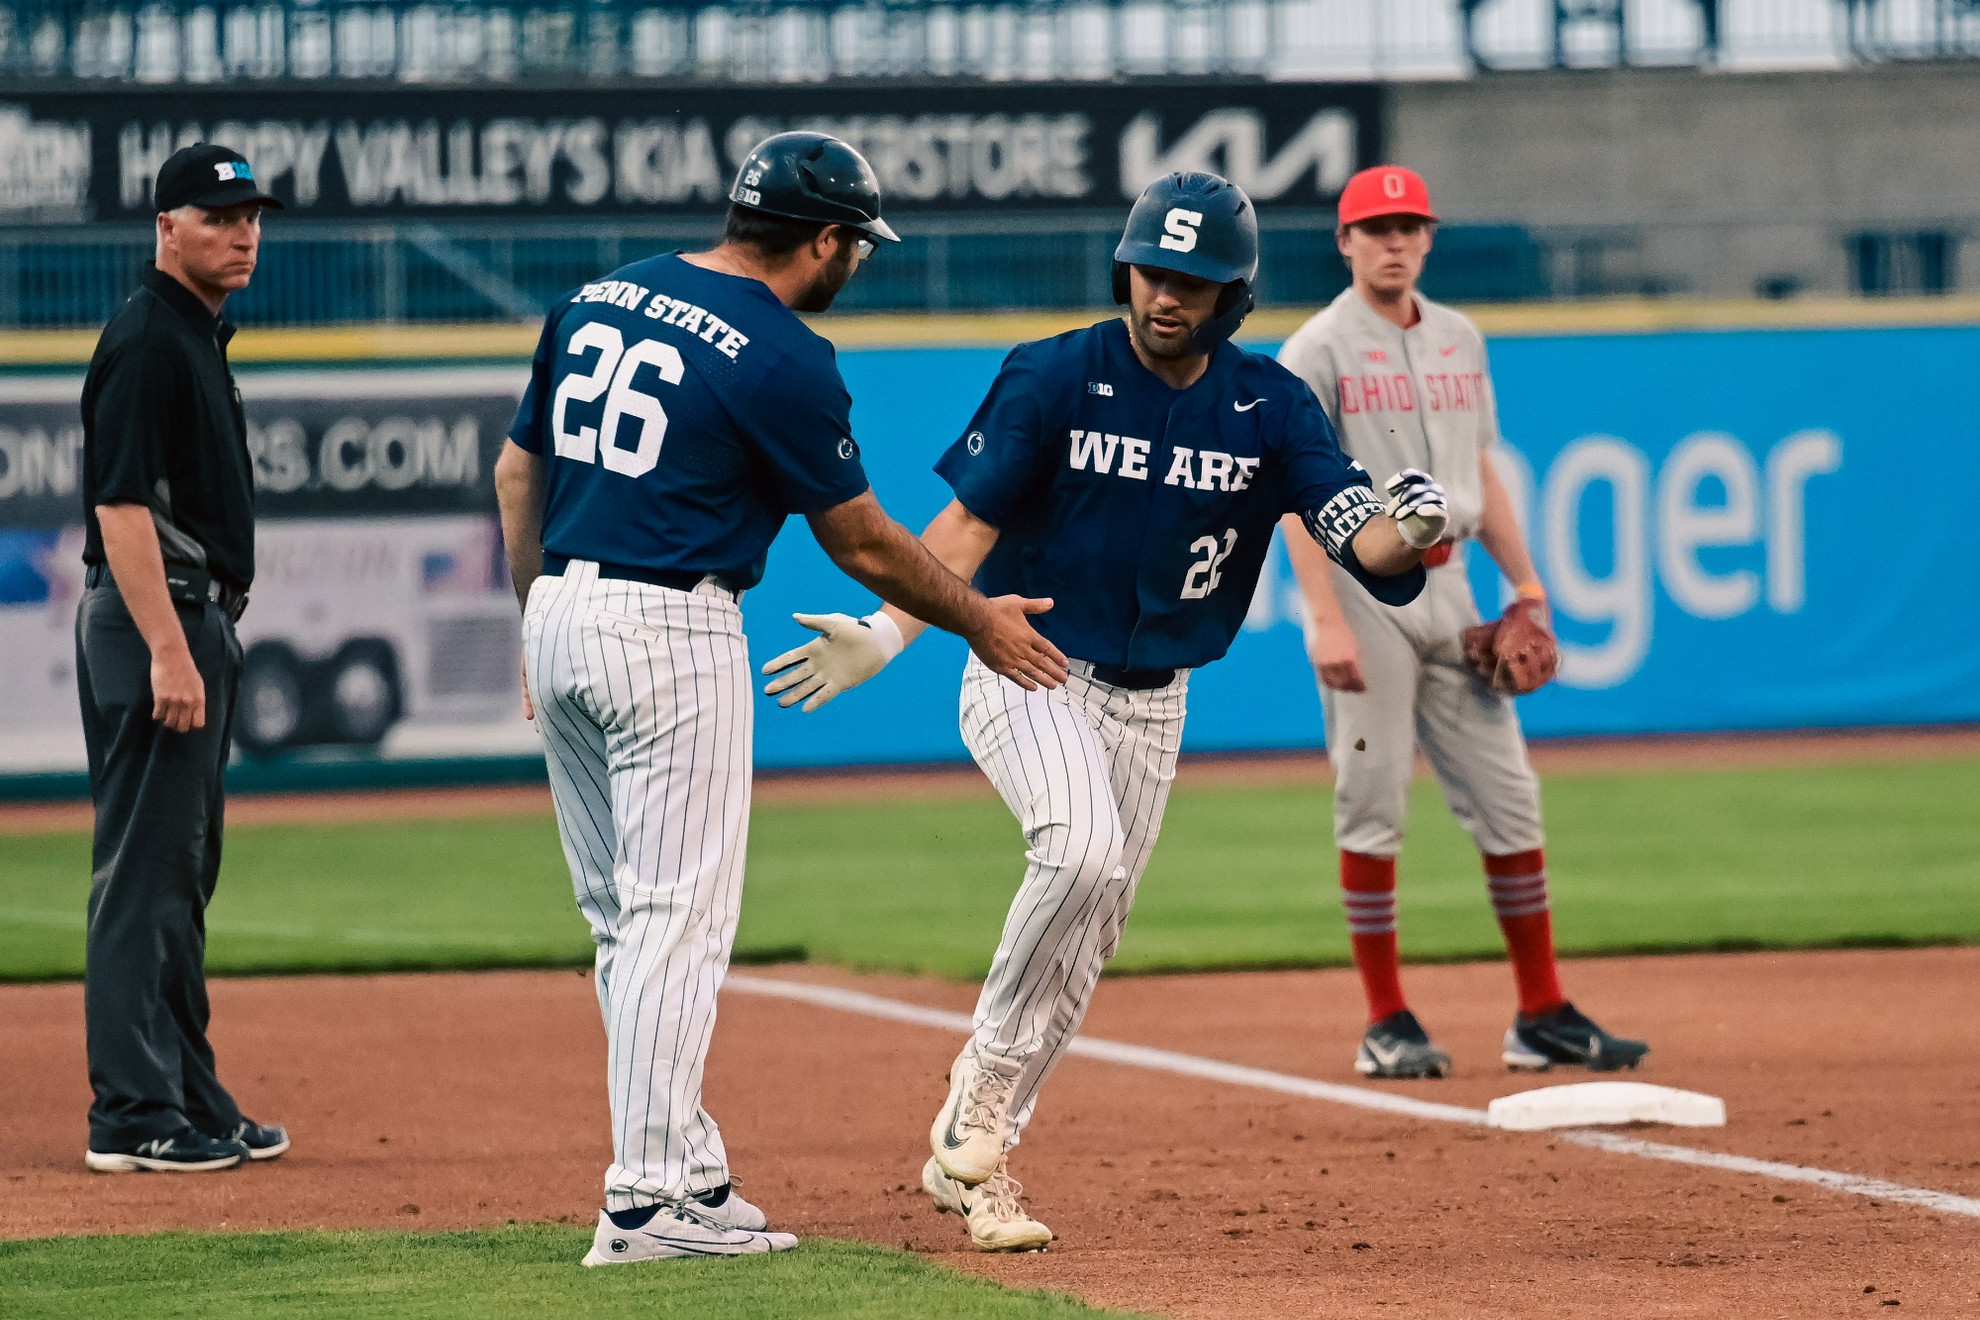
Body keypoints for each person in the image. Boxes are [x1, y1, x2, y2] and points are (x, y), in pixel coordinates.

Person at [760, 171, 1447, 1252]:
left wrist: (1415, 531)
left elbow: (1366, 544)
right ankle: (979, 1085)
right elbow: (968, 530)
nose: (1170, 295)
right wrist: (890, 636)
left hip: (1154, 702)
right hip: (1026, 658)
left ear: (1236, 295)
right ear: (1126, 268)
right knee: (1079, 856)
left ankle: (981, 1172)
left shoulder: (1270, 405)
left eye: (1198, 281)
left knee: (1087, 946)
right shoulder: (1054, 375)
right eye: (1155, 271)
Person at [493, 131, 1066, 1268]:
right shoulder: (782, 351)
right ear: (821, 238)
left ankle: (685, 1168)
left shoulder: (597, 297)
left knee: (621, 918)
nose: (857, 259)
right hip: (668, 628)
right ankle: (649, 1202)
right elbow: (860, 540)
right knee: (678, 921)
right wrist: (981, 618)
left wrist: (534, 619)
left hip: (559, 602)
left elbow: (519, 474)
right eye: (855, 240)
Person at [1275, 165, 1648, 1080]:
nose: (1395, 242)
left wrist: (1527, 585)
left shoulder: (1459, 336)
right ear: (1345, 241)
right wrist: (1322, 619)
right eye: (1377, 228)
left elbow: (1482, 469)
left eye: (1409, 227)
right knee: (1373, 805)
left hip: (1456, 594)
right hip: (1367, 591)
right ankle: (1386, 1020)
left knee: (1511, 796)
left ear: (1429, 238)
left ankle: (1541, 1012)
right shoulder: (1316, 348)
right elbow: (1292, 495)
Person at [76, 144, 291, 1173]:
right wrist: (170, 648)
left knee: (180, 873)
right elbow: (118, 508)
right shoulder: (148, 340)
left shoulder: (196, 334)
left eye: (251, 215)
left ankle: (190, 1097)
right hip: (152, 617)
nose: (242, 231)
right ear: (168, 225)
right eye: (218, 215)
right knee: (143, 876)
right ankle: (132, 1115)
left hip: (189, 619)